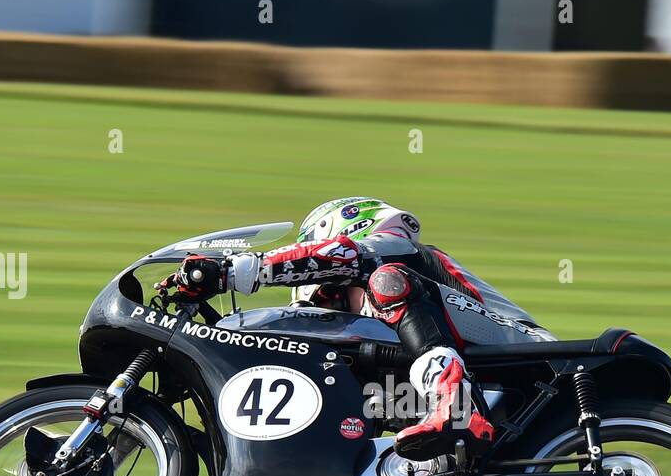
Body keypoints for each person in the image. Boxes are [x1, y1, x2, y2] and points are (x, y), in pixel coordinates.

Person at [158, 197, 553, 460]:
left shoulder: (389, 250)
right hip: (492, 382)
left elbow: (343, 257)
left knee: (388, 281)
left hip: (522, 354)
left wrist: (232, 271)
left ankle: (454, 405)